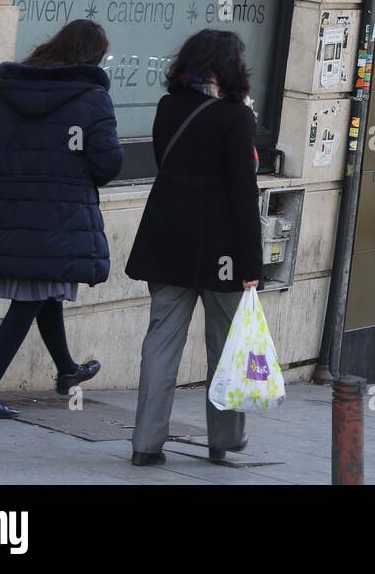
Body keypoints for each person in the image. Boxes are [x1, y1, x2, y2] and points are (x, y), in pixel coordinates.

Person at [0, 19, 123, 418]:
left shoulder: (8, 90)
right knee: (29, 300)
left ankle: (67, 370)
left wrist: (24, 165)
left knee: (44, 288)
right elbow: (107, 163)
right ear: (93, 55)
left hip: (16, 204)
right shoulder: (91, 97)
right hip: (62, 210)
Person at [125, 29, 263, 467]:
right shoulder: (236, 118)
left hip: (167, 241)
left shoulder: (169, 107)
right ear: (231, 67)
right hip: (221, 249)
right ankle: (222, 439)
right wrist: (251, 262)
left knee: (160, 342)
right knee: (225, 346)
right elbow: (243, 194)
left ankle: (145, 442)